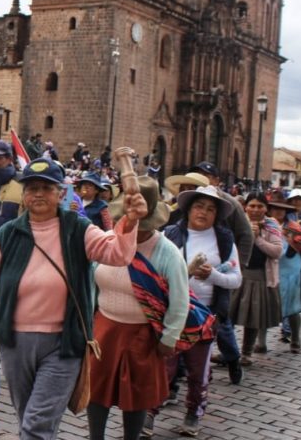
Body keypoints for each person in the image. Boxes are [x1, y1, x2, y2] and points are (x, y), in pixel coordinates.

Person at [0, 157, 146, 440]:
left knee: (36, 425)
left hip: (64, 343)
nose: (38, 194)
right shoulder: (8, 234)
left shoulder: (78, 228)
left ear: (60, 193)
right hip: (14, 342)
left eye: (46, 188)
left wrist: (130, 220)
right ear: (24, 193)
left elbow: (117, 253)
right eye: (32, 187)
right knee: (29, 417)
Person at [87, 176, 187, 440]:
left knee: (136, 395)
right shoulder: (107, 241)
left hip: (143, 335)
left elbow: (179, 299)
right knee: (97, 390)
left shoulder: (168, 253)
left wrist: (170, 337)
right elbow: (90, 285)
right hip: (104, 329)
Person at [160, 185, 242, 436]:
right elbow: (157, 271)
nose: (203, 212)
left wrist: (214, 275)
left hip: (205, 314)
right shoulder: (170, 234)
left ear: (217, 214)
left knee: (199, 369)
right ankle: (148, 413)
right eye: (199, 206)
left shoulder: (225, 241)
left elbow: (236, 279)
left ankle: (193, 414)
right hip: (171, 310)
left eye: (210, 208)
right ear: (188, 208)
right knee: (163, 365)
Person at [190, 162, 251, 381]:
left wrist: (235, 265)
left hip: (220, 270)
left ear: (217, 180)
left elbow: (245, 235)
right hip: (189, 280)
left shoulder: (230, 204)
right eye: (199, 175)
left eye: (207, 176)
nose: (203, 179)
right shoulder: (188, 198)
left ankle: (232, 358)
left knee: (220, 323)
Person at [229, 193, 283, 365]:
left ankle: (246, 353)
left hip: (259, 275)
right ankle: (227, 350)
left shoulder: (271, 225)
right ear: (245, 206)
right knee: (227, 315)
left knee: (252, 317)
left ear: (266, 209)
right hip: (238, 273)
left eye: (260, 206)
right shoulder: (238, 221)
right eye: (252, 206)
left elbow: (276, 251)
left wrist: (258, 238)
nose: (255, 210)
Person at [268, 199, 301, 352]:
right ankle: (259, 342)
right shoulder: (265, 225)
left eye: (282, 209)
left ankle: (295, 338)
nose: (278, 212)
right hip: (269, 269)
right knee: (263, 305)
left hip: (290, 271)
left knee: (292, 307)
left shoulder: (294, 228)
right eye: (275, 208)